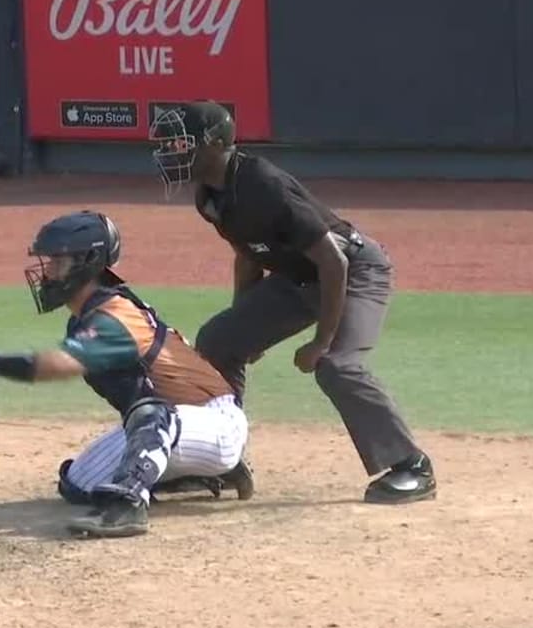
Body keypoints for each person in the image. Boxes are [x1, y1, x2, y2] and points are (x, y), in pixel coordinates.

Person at [148, 101, 436, 505]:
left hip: (355, 270)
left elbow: (334, 262)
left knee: (336, 365)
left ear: (214, 145)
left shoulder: (263, 183)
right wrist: (246, 326)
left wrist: (321, 342)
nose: (171, 151)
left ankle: (411, 465)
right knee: (219, 340)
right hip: (299, 278)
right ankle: (218, 463)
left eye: (181, 143)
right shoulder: (209, 197)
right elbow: (248, 256)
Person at [0, 210, 252, 539]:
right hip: (177, 429)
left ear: (87, 263)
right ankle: (189, 472)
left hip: (216, 423)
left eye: (57, 263)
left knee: (153, 416)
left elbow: (60, 365)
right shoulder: (86, 317)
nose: (47, 274)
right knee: (78, 485)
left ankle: (129, 507)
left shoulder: (115, 316)